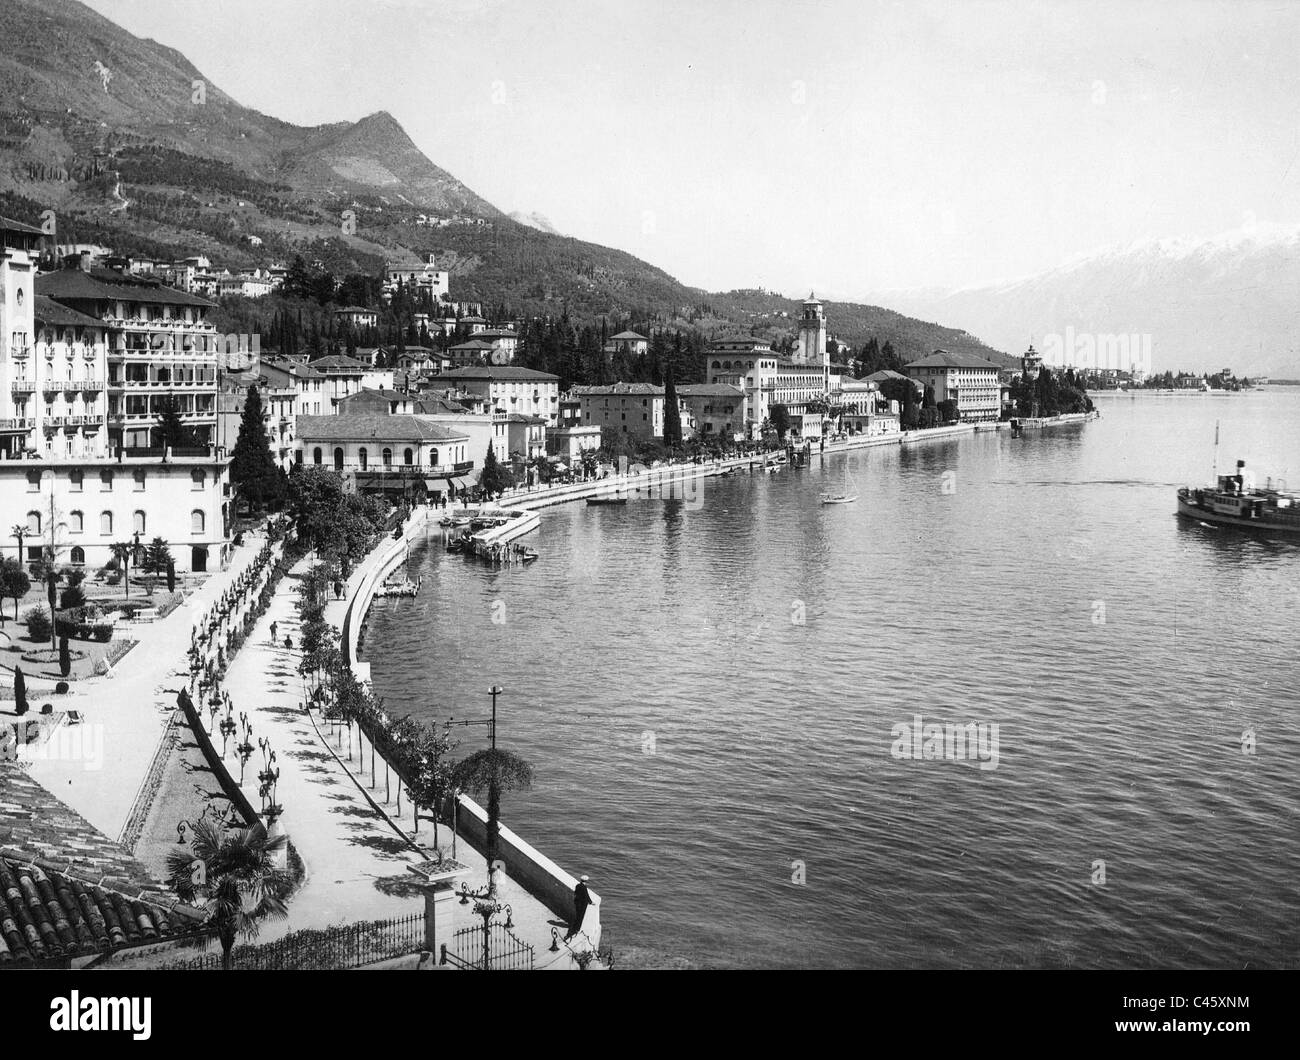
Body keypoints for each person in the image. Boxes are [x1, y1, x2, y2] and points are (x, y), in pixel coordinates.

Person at [565, 875, 592, 941]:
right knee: (580, 917)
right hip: (582, 904)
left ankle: (574, 928)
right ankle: (576, 929)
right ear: (586, 881)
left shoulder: (577, 885)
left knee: (577, 915)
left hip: (577, 903)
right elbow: (586, 896)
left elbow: (576, 893)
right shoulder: (584, 887)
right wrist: (591, 902)